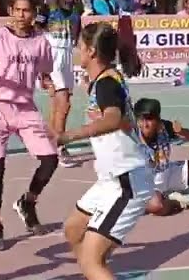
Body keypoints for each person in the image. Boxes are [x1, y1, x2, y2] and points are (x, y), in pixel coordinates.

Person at [53, 18, 153, 280]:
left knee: (91, 260)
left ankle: (93, 271)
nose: (76, 50)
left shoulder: (107, 83)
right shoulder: (105, 78)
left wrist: (68, 136)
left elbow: (111, 118)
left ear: (91, 51)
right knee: (74, 229)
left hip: (126, 181)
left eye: (79, 46)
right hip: (111, 180)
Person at [0, 0, 61, 250]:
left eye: (26, 11)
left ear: (34, 14)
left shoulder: (41, 42)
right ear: (11, 10)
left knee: (51, 159)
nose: (21, 15)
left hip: (25, 108)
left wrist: (49, 84)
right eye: (17, 10)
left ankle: (28, 201)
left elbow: (44, 73)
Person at [134, 97, 189, 215]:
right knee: (158, 206)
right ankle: (177, 201)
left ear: (158, 119)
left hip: (168, 173)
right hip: (147, 183)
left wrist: (181, 131)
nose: (144, 124)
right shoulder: (131, 134)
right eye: (141, 120)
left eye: (149, 120)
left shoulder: (165, 127)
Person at [43, 0, 83, 168]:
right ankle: (59, 149)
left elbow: (78, 35)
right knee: (63, 103)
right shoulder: (48, 7)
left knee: (58, 106)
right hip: (53, 56)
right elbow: (36, 30)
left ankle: (50, 144)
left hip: (67, 56)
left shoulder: (76, 9)